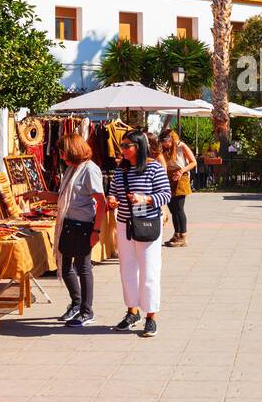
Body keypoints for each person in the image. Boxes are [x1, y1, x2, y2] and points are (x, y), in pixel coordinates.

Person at [107, 130, 171, 337]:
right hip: (125, 223)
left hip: (147, 224)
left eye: (127, 146)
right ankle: (132, 311)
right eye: (122, 146)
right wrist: (112, 200)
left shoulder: (153, 168)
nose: (123, 150)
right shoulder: (120, 170)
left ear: (139, 147)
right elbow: (113, 192)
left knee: (149, 271)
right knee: (127, 271)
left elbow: (165, 194)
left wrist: (145, 199)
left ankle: (151, 316)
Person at [46, 133, 105, 326]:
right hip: (68, 223)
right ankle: (76, 303)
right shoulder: (72, 169)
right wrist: (40, 194)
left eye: (63, 152)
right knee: (65, 266)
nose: (61, 156)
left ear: (72, 150)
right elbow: (65, 197)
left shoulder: (90, 170)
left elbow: (101, 202)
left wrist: (96, 231)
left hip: (83, 225)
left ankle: (87, 311)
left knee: (83, 267)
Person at [160, 128, 196, 248]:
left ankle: (183, 236)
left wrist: (181, 171)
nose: (164, 144)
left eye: (166, 141)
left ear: (171, 139)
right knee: (172, 208)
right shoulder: (164, 149)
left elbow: (193, 162)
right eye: (163, 142)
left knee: (179, 208)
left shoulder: (181, 146)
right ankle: (176, 234)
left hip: (181, 176)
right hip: (169, 177)